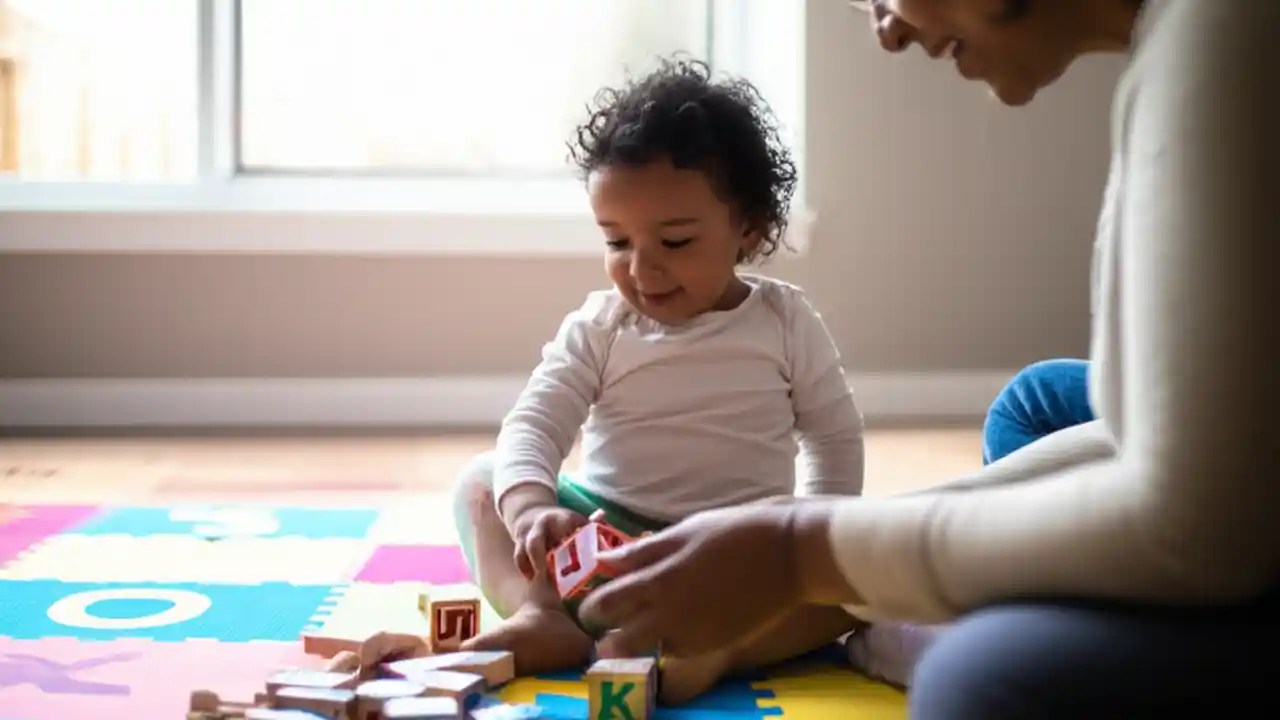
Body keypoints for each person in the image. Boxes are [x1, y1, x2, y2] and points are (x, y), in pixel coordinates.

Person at [574, 1, 1280, 717]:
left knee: (978, 682)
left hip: (1229, 530)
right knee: (1034, 406)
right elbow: (1155, 449)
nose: (885, 26)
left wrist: (803, 553)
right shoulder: (1179, 44)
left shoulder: (1228, 43)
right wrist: (816, 550)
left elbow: (1206, 529)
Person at [446, 56, 867, 703]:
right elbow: (534, 421)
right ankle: (548, 618)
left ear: (746, 229)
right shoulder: (602, 325)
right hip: (610, 542)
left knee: (862, 578)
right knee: (480, 485)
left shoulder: (785, 321)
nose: (642, 270)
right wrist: (534, 509)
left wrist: (806, 533)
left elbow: (833, 439)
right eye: (617, 242)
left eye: (674, 242)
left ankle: (707, 645)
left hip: (734, 547)